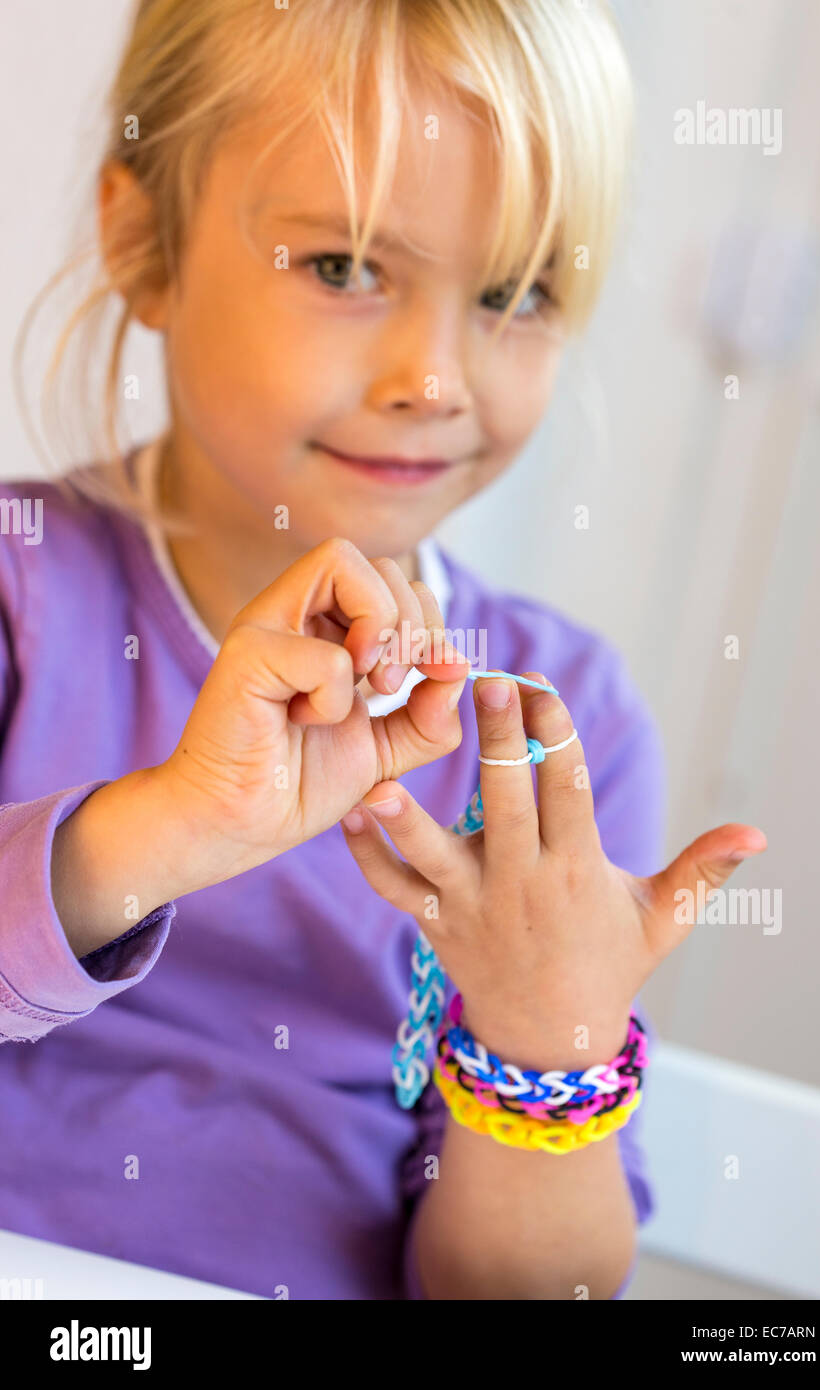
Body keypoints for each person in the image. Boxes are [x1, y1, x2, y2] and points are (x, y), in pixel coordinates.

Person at [0, 0, 765, 1300]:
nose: (434, 376)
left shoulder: (557, 723)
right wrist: (171, 825)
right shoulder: (26, 590)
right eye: (345, 266)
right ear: (145, 239)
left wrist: (540, 1036)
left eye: (514, 293)